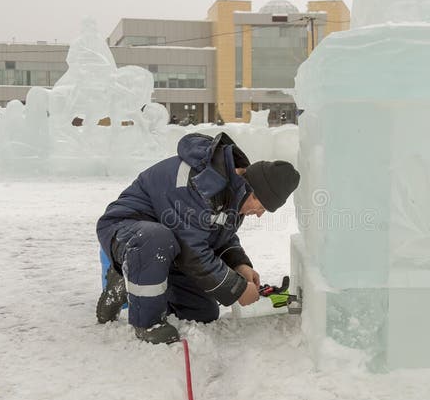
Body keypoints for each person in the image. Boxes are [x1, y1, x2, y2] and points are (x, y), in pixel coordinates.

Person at [95, 131, 300, 344]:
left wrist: (239, 265)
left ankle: (135, 286)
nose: (259, 214)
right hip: (128, 229)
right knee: (156, 238)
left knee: (202, 312)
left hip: (172, 248)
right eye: (262, 207)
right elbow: (192, 250)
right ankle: (147, 322)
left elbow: (220, 238)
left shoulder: (233, 194)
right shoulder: (199, 183)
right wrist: (236, 289)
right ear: (254, 192)